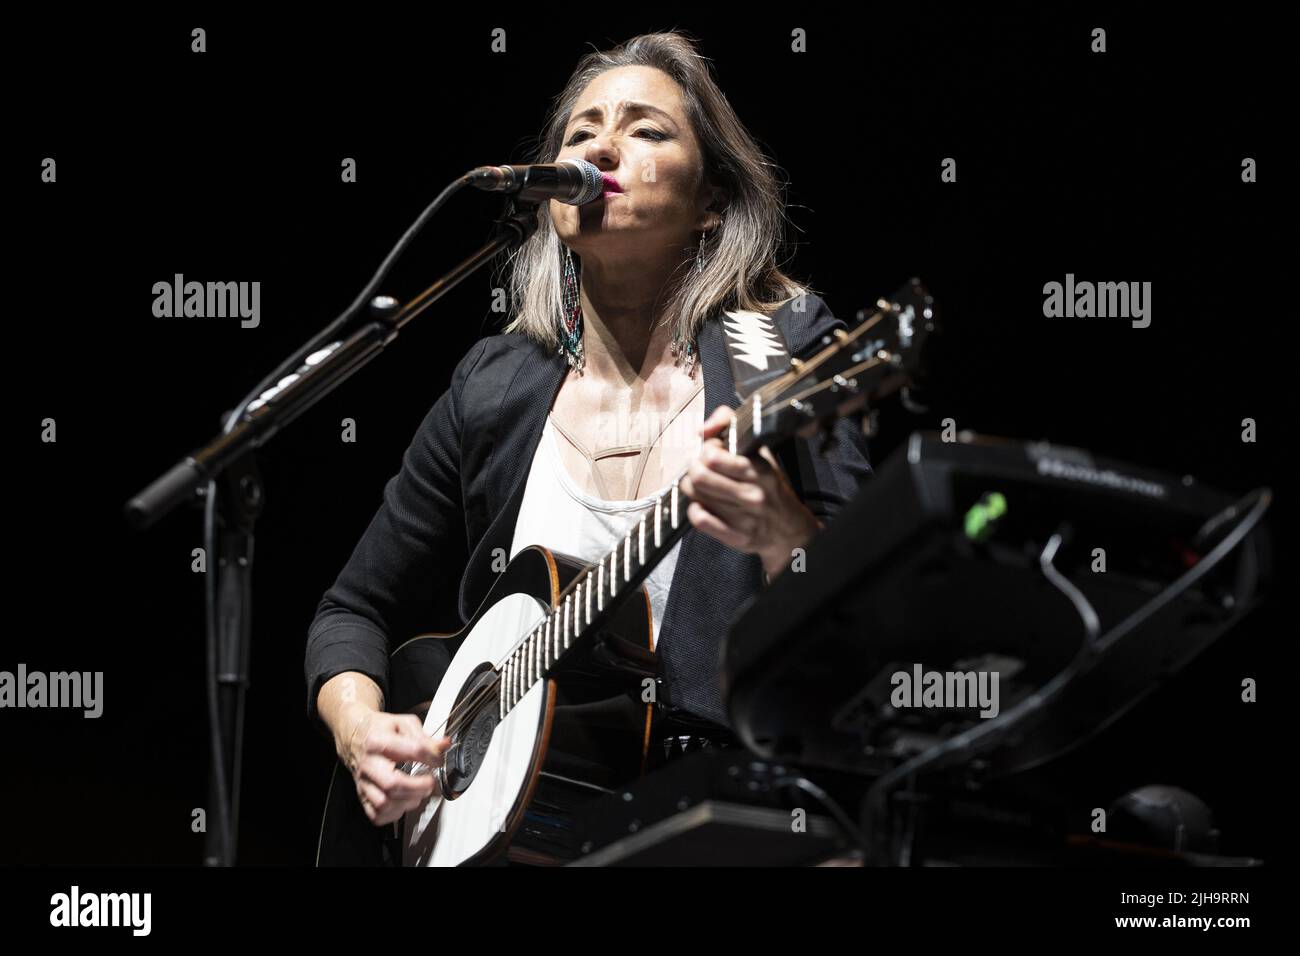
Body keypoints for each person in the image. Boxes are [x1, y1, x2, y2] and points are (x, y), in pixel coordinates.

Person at [305, 31, 872, 828]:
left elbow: (880, 623)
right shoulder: (494, 386)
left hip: (722, 820)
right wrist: (361, 731)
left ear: (712, 201)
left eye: (647, 129)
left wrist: (784, 533)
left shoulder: (777, 355)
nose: (604, 144)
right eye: (581, 132)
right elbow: (350, 613)